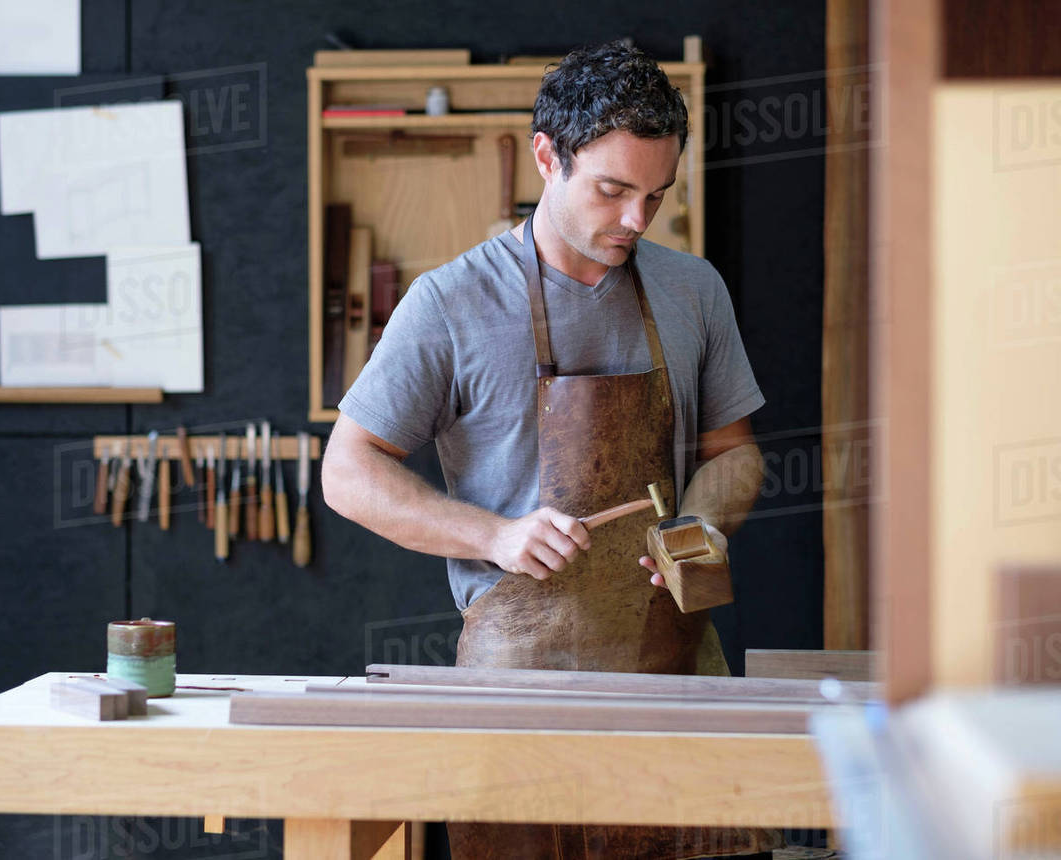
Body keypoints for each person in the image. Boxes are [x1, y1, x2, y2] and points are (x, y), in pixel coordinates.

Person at [322, 41, 776, 860]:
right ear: (546, 157)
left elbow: (734, 450)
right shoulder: (450, 302)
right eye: (613, 190)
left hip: (677, 671)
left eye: (657, 195)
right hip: (519, 687)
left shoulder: (694, 289)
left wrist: (701, 524)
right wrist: (494, 536)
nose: (638, 220)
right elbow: (347, 473)